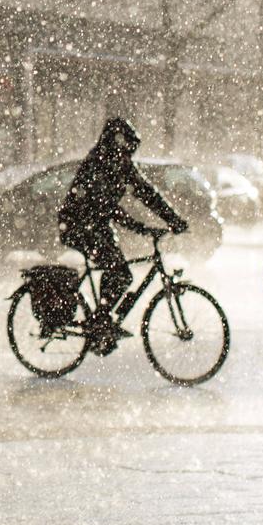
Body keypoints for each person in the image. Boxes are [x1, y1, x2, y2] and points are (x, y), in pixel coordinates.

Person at [57, 118, 188, 354]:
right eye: (126, 148)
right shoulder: (97, 163)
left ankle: (102, 320)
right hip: (78, 224)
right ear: (116, 143)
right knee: (119, 272)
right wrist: (140, 227)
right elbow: (105, 206)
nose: (129, 154)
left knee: (120, 273)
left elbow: (147, 193)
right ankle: (99, 323)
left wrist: (173, 219)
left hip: (96, 224)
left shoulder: (121, 165)